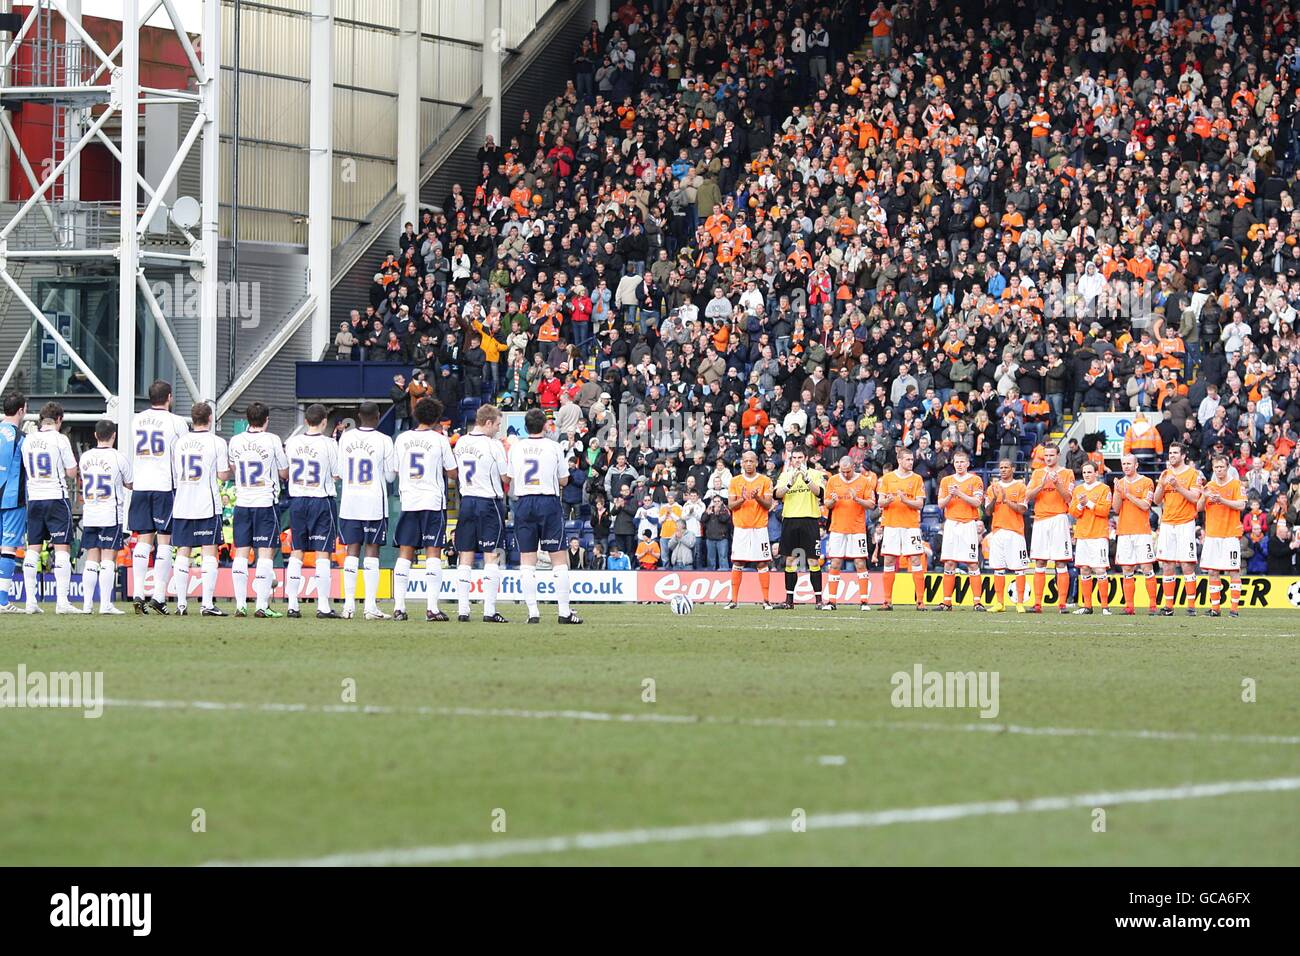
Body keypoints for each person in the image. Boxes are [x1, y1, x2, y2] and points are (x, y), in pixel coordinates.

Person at [509, 407, 582, 625]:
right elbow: (564, 480)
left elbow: (510, 477)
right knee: (558, 559)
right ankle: (564, 612)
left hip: (524, 501)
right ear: (545, 426)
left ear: (525, 427)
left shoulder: (517, 448)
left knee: (527, 560)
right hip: (547, 502)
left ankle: (533, 613)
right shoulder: (553, 447)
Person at [392, 397, 458, 622]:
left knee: (405, 553)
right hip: (432, 501)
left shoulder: (402, 439)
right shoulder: (439, 440)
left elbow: (395, 470)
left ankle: (399, 607)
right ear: (436, 418)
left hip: (409, 501)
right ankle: (432, 608)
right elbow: (452, 471)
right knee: (433, 552)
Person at [128, 380, 191, 614]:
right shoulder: (177, 423)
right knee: (164, 540)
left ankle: (136, 592)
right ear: (169, 397)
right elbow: (182, 455)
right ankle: (158, 595)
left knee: (144, 539)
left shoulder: (137, 419)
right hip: (165, 484)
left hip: (141, 483)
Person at [335, 401, 397, 620]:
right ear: (378, 416)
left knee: (352, 551)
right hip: (374, 503)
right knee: (372, 551)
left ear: (359, 416)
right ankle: (370, 606)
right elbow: (390, 476)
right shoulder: (384, 440)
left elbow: (340, 472)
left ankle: (349, 606)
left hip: (350, 501)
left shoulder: (347, 438)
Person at [227, 401, 289, 618]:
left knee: (242, 553)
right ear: (266, 420)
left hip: (242, 502)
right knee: (265, 554)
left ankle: (240, 605)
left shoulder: (235, 441)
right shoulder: (272, 440)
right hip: (264, 502)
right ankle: (261, 605)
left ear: (247, 419)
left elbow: (234, 467)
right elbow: (284, 472)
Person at [169, 402, 231, 616]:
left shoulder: (180, 443)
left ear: (192, 420)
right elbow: (223, 475)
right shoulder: (217, 442)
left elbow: (176, 473)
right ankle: (206, 603)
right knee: (209, 552)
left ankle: (181, 604)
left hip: (183, 503)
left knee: (183, 552)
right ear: (210, 418)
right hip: (207, 504)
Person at [453, 404, 511, 623]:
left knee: (465, 555)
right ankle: (489, 610)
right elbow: (506, 478)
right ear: (488, 423)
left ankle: (463, 609)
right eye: (496, 424)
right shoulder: (493, 445)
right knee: (491, 555)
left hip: (467, 500)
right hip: (489, 503)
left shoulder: (461, 442)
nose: (498, 429)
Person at [20, 402, 78, 613]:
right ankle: (62, 602)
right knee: (62, 547)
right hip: (56, 497)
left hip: (34, 498)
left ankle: (30, 602)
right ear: (59, 420)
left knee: (33, 548)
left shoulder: (28, 440)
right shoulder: (60, 439)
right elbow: (71, 471)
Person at [284, 403, 340, 618]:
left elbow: (286, 470)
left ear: (306, 421)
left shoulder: (293, 442)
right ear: (324, 421)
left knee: (297, 551)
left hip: (298, 500)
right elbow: (336, 474)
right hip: (320, 499)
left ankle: (292, 605)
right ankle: (323, 606)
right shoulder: (329, 444)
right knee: (322, 552)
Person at [77, 419, 132, 614]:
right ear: (114, 436)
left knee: (92, 558)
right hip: (110, 513)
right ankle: (106, 604)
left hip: (91, 512)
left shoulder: (85, 457)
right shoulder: (119, 458)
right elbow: (130, 483)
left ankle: (87, 605)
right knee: (108, 558)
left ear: (95, 435)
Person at [1153, 442, 1203, 616]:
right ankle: (1169, 606)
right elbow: (1157, 501)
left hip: (1185, 523)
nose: (1171, 455)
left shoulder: (1193, 474)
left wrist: (1177, 486)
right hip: (1167, 523)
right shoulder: (1165, 473)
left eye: (1175, 453)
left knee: (1187, 565)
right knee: (1167, 564)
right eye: (1170, 452)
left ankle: (1191, 606)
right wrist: (1161, 484)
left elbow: (1195, 498)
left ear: (1183, 456)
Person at [820, 455, 876, 610]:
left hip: (857, 528)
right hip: (837, 528)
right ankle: (831, 601)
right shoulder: (833, 481)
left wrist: (857, 499)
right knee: (835, 562)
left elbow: (872, 505)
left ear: (854, 467)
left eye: (848, 471)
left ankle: (864, 601)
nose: (845, 474)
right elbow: (827, 503)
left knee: (860, 562)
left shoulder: (864, 481)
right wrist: (832, 501)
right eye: (843, 471)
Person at [1025, 443, 1074, 613]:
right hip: (1040, 519)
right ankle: (1037, 604)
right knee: (1040, 561)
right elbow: (1028, 496)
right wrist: (1041, 484)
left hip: (1059, 518)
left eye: (1051, 455)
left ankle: (1062, 604)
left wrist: (1058, 484)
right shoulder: (1038, 473)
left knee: (1060, 562)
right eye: (1046, 455)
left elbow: (1069, 498)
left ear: (1058, 455)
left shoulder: (1067, 473)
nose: (1048, 458)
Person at [773, 448, 824, 608]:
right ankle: (789, 601)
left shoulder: (815, 474)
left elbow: (820, 493)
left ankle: (818, 600)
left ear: (806, 458)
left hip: (809, 519)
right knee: (790, 560)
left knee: (813, 560)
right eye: (794, 457)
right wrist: (790, 483)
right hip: (790, 520)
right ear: (790, 459)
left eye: (800, 457)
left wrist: (807, 480)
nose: (797, 460)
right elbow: (777, 494)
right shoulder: (785, 475)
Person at [877, 447, 926, 611]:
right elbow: (880, 503)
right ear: (899, 460)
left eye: (912, 459)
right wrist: (889, 500)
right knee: (889, 560)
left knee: (916, 560)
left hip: (911, 526)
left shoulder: (917, 478)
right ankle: (887, 601)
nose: (911, 462)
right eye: (908, 459)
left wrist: (905, 500)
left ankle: (920, 601)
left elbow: (920, 504)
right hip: (891, 525)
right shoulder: (887, 478)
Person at [937, 449, 985, 611]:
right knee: (949, 562)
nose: (959, 465)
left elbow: (977, 502)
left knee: (972, 563)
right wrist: (951, 495)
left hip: (968, 524)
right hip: (951, 524)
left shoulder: (976, 480)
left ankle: (977, 602)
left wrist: (959, 493)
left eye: (962, 462)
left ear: (968, 463)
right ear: (953, 463)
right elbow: (940, 505)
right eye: (957, 462)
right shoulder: (946, 481)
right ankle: (946, 602)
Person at [1112, 453, 1159, 616]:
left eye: (1129, 464)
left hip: (1142, 531)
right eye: (1123, 464)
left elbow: (1146, 506)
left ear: (1136, 465)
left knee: (1147, 567)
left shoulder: (1147, 482)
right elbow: (1116, 509)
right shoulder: (1120, 483)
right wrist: (1118, 492)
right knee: (1127, 568)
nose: (1126, 466)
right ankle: (1129, 607)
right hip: (1124, 531)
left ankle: (1153, 606)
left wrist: (1128, 494)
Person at [726, 450, 774, 610]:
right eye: (745, 461)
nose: (748, 464)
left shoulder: (765, 480)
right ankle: (733, 600)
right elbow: (731, 505)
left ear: (756, 463)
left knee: (762, 562)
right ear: (741, 463)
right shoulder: (735, 481)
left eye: (751, 461)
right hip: (741, 528)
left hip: (760, 528)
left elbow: (768, 505)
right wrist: (743, 498)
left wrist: (757, 497)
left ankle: (766, 600)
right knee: (738, 562)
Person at [1200, 455, 1247, 618]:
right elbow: (1199, 508)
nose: (1219, 470)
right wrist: (1204, 495)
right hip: (1212, 535)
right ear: (1213, 468)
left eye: (1221, 467)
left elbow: (1241, 505)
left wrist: (1222, 499)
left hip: (1230, 534)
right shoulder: (1210, 485)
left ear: (1227, 468)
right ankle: (1215, 608)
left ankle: (1234, 609)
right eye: (1216, 467)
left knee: (1233, 570)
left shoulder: (1236, 484)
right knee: (1212, 571)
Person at [983, 457, 1030, 612]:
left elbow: (1023, 510)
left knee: (1019, 568)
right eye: (1001, 467)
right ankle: (1000, 603)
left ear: (1013, 469)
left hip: (1015, 532)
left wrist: (1006, 500)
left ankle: (1019, 603)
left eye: (1006, 467)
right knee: (998, 568)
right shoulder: (992, 488)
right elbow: (988, 512)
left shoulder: (1021, 486)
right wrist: (996, 498)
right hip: (997, 532)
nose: (1003, 470)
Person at [1070, 461, 1113, 615]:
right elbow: (1073, 512)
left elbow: (1105, 510)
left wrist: (1087, 502)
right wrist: (1081, 505)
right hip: (1082, 535)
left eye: (1089, 472)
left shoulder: (1104, 489)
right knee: (1084, 569)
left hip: (1098, 534)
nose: (1086, 475)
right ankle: (1087, 606)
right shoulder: (1078, 489)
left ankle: (1105, 607)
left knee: (1100, 569)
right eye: (1084, 472)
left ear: (1096, 473)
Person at [0, 392, 27, 612]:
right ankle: (2, 601)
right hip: (12, 499)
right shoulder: (22, 438)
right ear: (21, 410)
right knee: (8, 549)